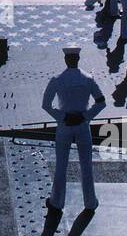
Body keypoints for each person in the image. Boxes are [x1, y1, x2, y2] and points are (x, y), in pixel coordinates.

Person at [42, 47, 107, 214]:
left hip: (64, 126)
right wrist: (85, 116)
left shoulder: (57, 80)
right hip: (83, 126)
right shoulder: (88, 79)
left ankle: (57, 202)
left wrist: (63, 117)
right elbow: (101, 102)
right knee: (86, 165)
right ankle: (90, 202)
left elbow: (46, 105)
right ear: (78, 59)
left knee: (61, 165)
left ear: (66, 59)